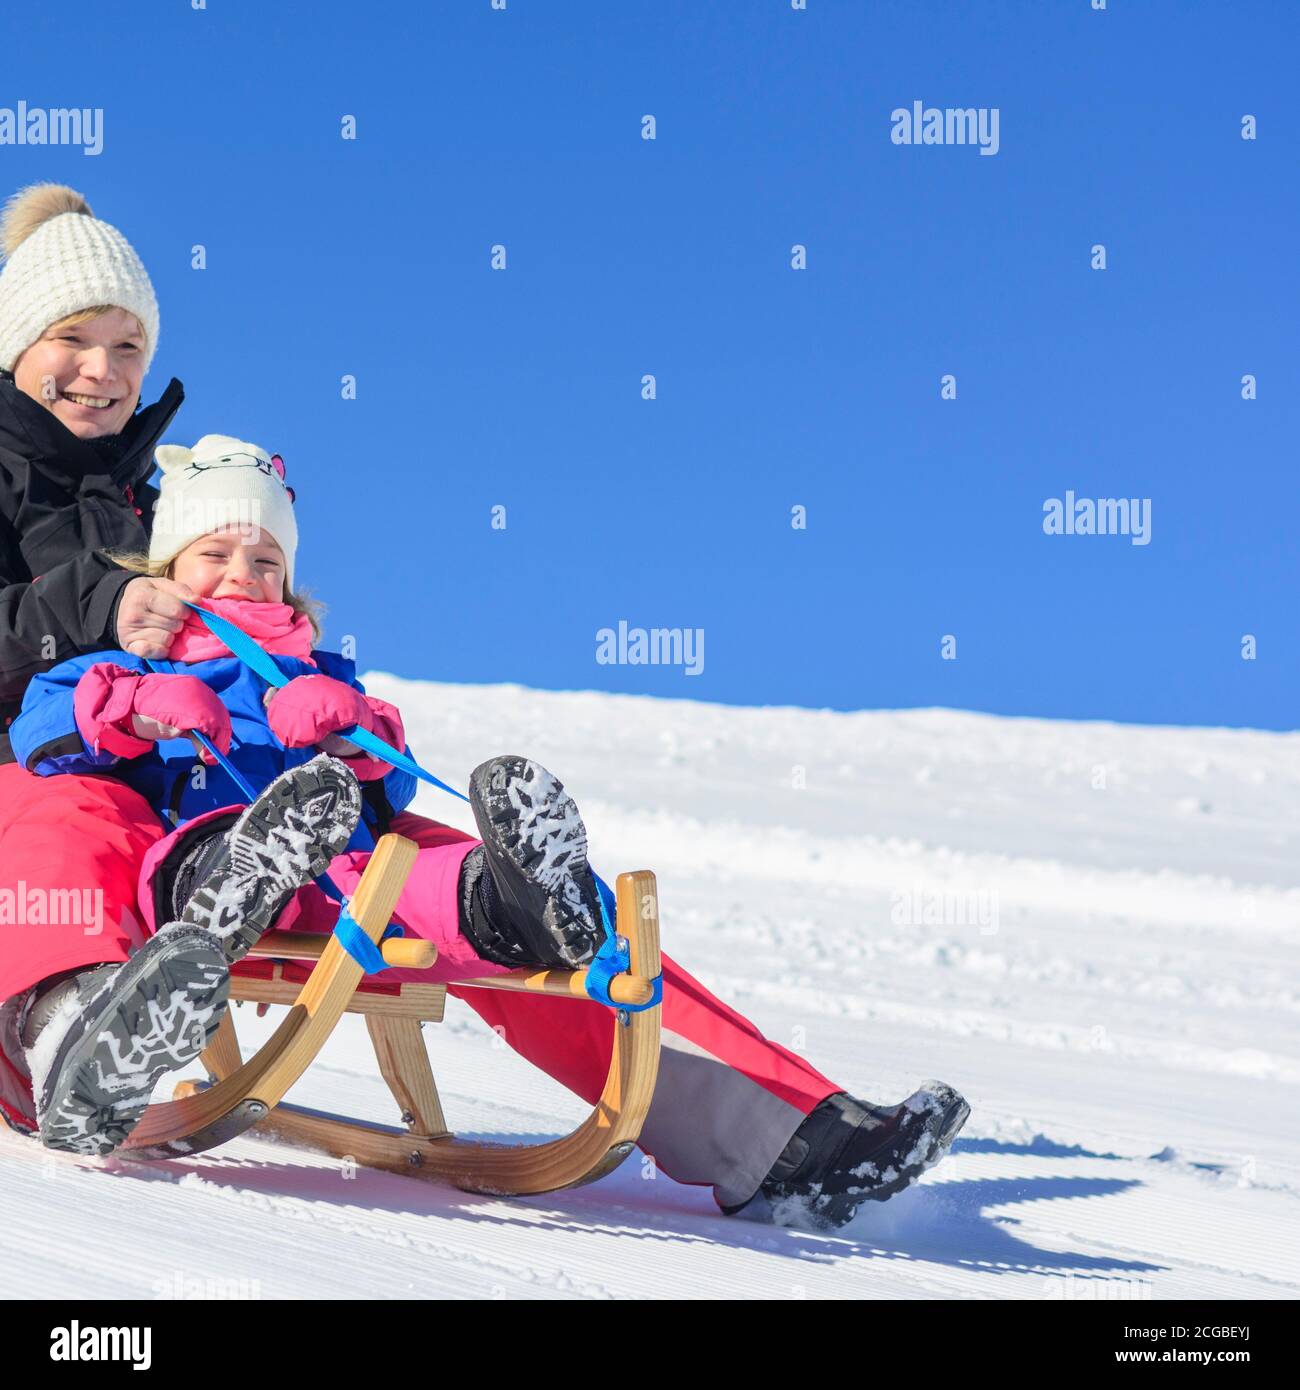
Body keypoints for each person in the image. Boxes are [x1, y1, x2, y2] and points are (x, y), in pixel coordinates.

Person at [0, 183, 968, 1229]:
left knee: (464, 876)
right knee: (62, 814)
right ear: (16, 342)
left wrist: (339, 723)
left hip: (243, 793)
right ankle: (73, 1043)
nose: (102, 369)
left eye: (127, 345)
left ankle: (771, 1129)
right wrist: (85, 611)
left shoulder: (169, 506)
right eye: (72, 337)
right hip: (54, 777)